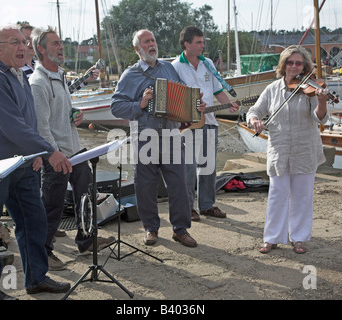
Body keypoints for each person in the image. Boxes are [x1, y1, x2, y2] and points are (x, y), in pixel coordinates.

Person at [0, 24, 72, 300]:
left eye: (24, 42)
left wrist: (36, 153)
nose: (22, 47)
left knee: (34, 220)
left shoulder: (17, 74)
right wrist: (49, 150)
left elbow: (30, 121)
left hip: (23, 163)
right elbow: (12, 126)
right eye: (14, 42)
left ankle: (36, 278)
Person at [29, 26, 115, 270]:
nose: (61, 47)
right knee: (52, 206)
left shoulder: (60, 76)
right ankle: (43, 253)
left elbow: (62, 114)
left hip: (75, 151)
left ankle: (86, 240)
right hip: (56, 155)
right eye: (55, 44)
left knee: (86, 194)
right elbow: (41, 128)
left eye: (60, 43)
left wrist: (74, 115)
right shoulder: (38, 83)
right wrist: (55, 155)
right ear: (41, 50)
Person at [111, 29, 197, 248]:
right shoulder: (130, 75)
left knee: (179, 184)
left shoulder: (168, 68)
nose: (151, 44)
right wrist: (140, 104)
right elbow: (116, 106)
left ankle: (180, 229)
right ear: (137, 48)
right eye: (146, 41)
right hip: (145, 137)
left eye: (153, 40)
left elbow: (182, 95)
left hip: (171, 134)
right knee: (146, 186)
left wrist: (195, 106)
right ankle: (151, 228)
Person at [246, 45, 329, 254]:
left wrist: (321, 101)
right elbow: (254, 110)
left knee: (302, 195)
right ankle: (272, 238)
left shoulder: (311, 89)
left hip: (304, 148)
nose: (294, 66)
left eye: (298, 63)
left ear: (304, 67)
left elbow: (319, 118)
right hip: (279, 149)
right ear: (283, 65)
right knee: (277, 194)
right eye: (290, 62)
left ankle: (299, 238)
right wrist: (254, 120)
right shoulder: (273, 89)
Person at [172, 26, 239, 222]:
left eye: (203, 42)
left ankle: (207, 205)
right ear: (187, 44)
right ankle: (188, 207)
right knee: (189, 167)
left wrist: (228, 104)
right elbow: (173, 96)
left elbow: (217, 89)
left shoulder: (208, 63)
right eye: (199, 42)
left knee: (209, 166)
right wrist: (192, 106)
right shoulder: (175, 66)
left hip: (210, 121)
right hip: (187, 125)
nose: (203, 45)